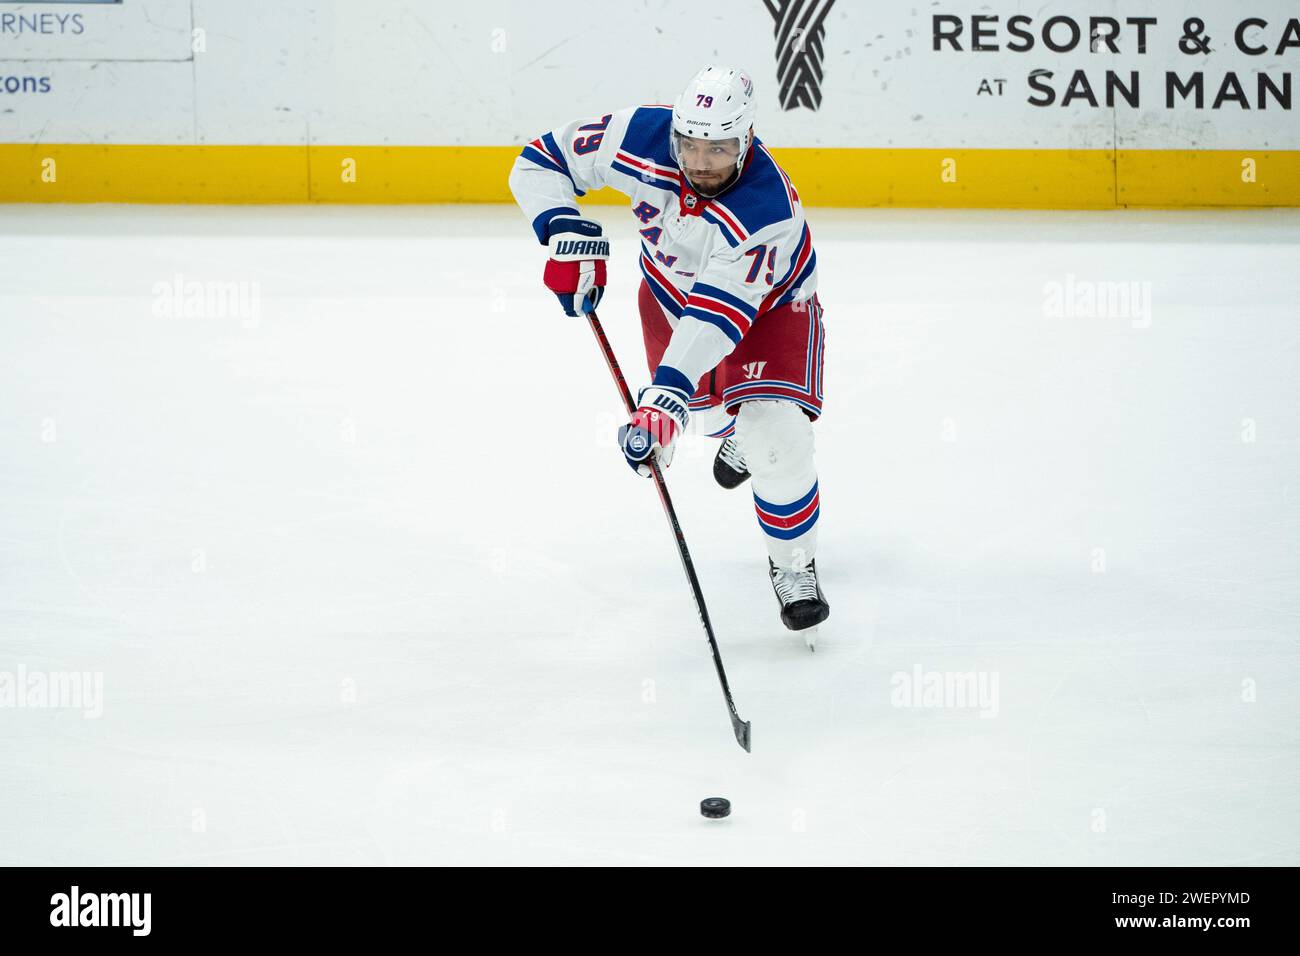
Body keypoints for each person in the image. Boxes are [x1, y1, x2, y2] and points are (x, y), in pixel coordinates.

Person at [508, 65, 829, 633]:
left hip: (772, 309)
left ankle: (793, 564)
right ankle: (732, 434)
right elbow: (540, 160)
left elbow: (721, 310)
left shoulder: (767, 210)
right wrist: (563, 229)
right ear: (675, 131)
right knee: (702, 420)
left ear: (747, 141)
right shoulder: (639, 135)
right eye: (691, 145)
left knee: (776, 440)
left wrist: (663, 396)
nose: (702, 161)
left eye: (721, 148)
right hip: (668, 296)